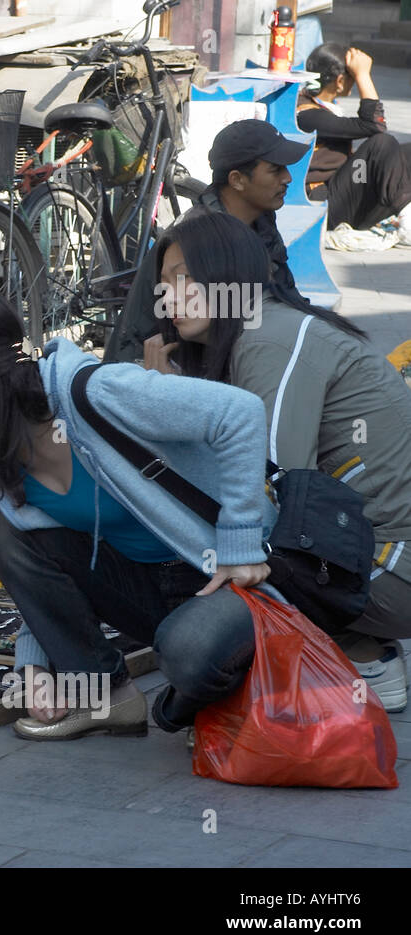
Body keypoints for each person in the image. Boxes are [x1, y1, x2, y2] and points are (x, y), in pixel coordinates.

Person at [0, 278, 275, 740]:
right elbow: (43, 568)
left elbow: (241, 414)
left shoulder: (96, 392)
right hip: (149, 594)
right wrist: (37, 664)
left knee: (188, 653)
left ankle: (242, 685)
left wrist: (240, 546)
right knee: (9, 539)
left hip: (227, 580)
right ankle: (109, 698)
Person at [143, 208, 411, 711]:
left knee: (191, 635)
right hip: (361, 557)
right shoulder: (254, 335)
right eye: (163, 284)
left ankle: (347, 649)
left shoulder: (270, 338)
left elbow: (265, 489)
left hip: (389, 572)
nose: (170, 297)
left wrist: (164, 403)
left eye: (186, 280)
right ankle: (358, 650)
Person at [105, 119, 309, 363]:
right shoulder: (197, 241)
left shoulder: (261, 219)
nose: (287, 178)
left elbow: (286, 295)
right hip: (161, 369)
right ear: (237, 180)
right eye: (276, 170)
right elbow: (213, 333)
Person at [297, 42, 411, 243]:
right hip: (326, 206)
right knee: (382, 144)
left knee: (401, 153)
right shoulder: (307, 114)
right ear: (340, 81)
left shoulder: (323, 108)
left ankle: (403, 210)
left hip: (346, 192)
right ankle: (407, 220)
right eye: (352, 78)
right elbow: (374, 125)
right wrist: (363, 75)